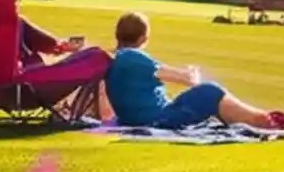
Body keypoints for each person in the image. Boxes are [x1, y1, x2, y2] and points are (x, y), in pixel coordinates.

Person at [105, 11, 272, 129]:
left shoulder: (116, 56)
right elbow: (188, 80)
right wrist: (192, 72)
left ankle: (259, 119)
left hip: (140, 117)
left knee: (206, 96)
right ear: (143, 38)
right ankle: (264, 120)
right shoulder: (133, 57)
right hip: (156, 119)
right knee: (210, 91)